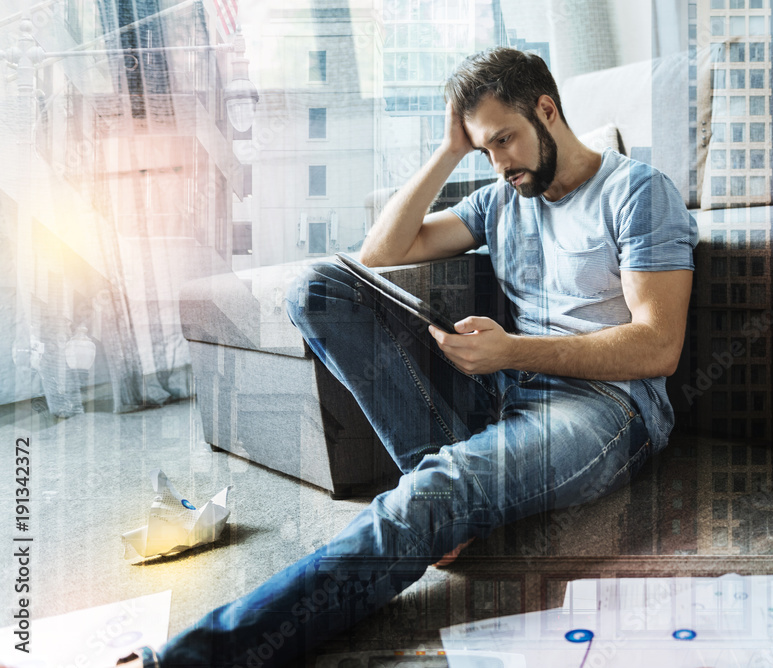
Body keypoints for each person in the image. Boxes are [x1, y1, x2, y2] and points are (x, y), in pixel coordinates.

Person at [117, 46, 697, 668]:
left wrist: (511, 349)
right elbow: (380, 252)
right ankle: (453, 508)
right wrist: (449, 151)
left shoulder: (636, 191)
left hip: (608, 410)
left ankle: (193, 659)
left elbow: (658, 346)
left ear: (547, 110)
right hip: (511, 389)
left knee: (428, 495)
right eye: (484, 149)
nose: (499, 163)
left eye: (505, 140)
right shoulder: (503, 199)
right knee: (318, 287)